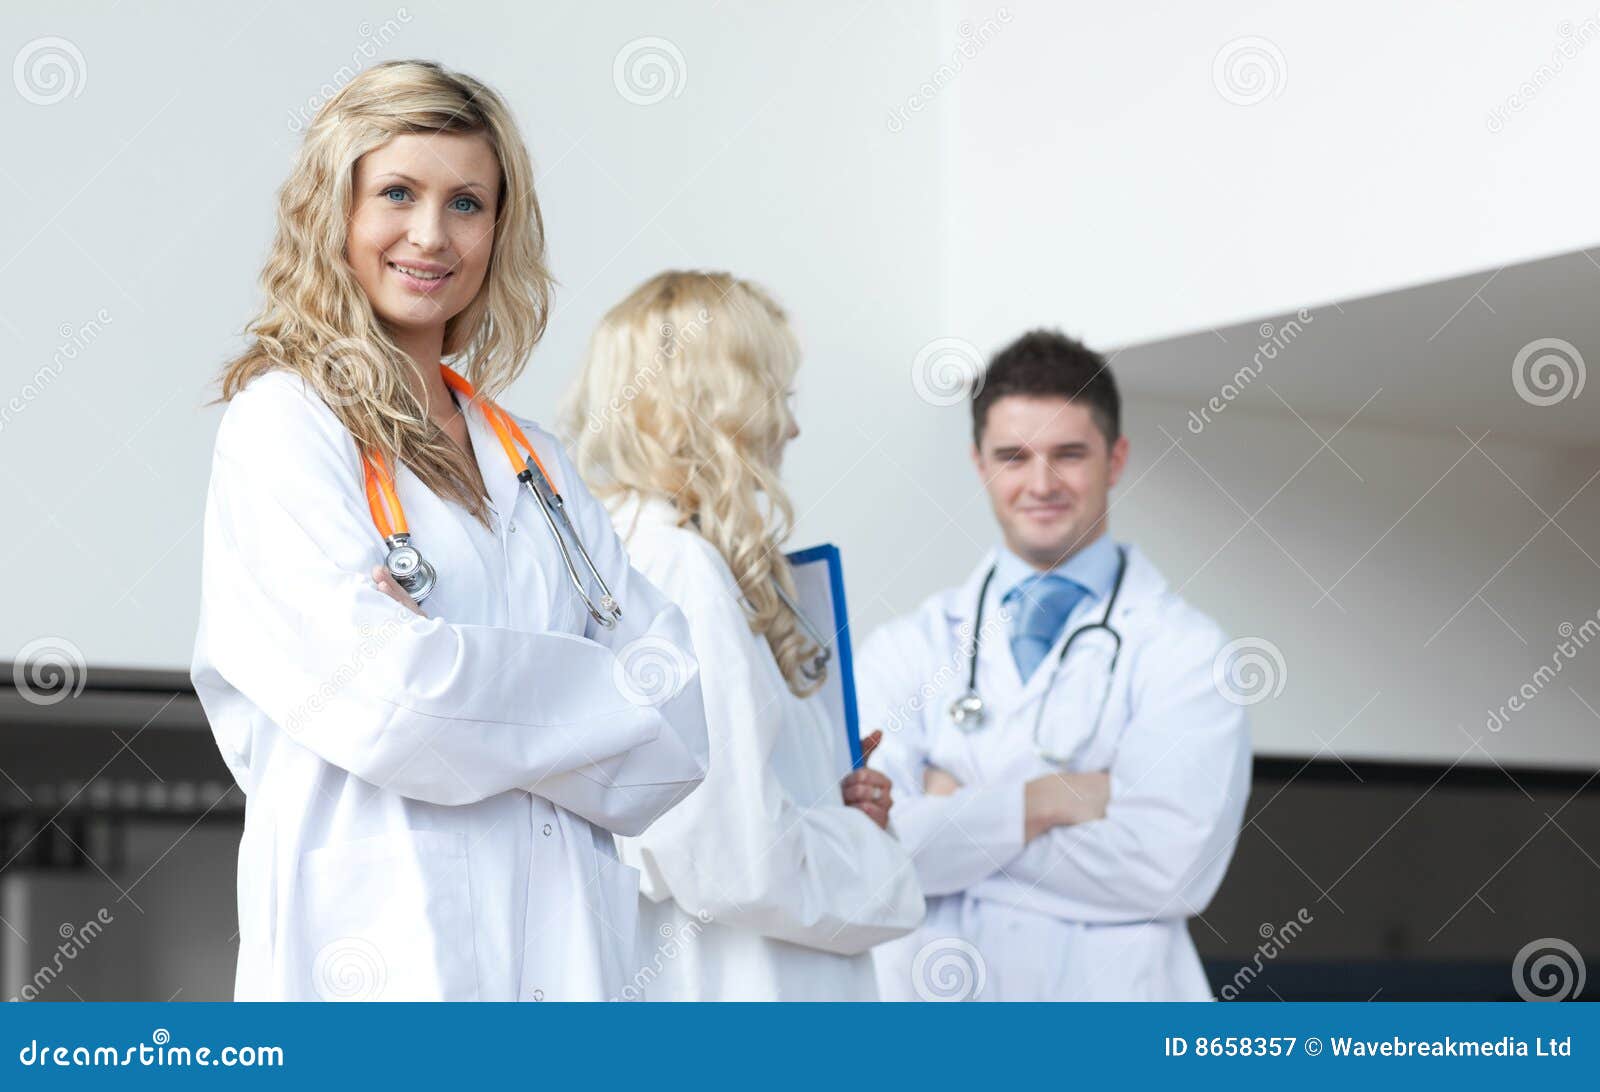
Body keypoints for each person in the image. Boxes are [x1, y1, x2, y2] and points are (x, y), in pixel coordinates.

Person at [189, 61, 709, 1002]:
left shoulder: (535, 459)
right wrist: (596, 691)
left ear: (499, 231)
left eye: (466, 202)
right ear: (332, 213)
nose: (431, 235)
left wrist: (461, 667)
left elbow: (674, 737)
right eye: (397, 193)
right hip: (383, 956)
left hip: (570, 960)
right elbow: (393, 706)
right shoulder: (283, 427)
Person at [859, 330, 1251, 1001]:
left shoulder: (1188, 652)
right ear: (980, 464)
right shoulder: (908, 647)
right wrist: (1047, 801)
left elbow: (1169, 869)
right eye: (1014, 456)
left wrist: (955, 812)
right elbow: (874, 854)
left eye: (1069, 454)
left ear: (1116, 458)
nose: (1040, 484)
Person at [565, 270, 925, 1000]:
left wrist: (829, 798)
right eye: (778, 398)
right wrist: (869, 849)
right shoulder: (677, 567)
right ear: (716, 404)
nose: (790, 428)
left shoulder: (642, 552)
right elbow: (733, 857)